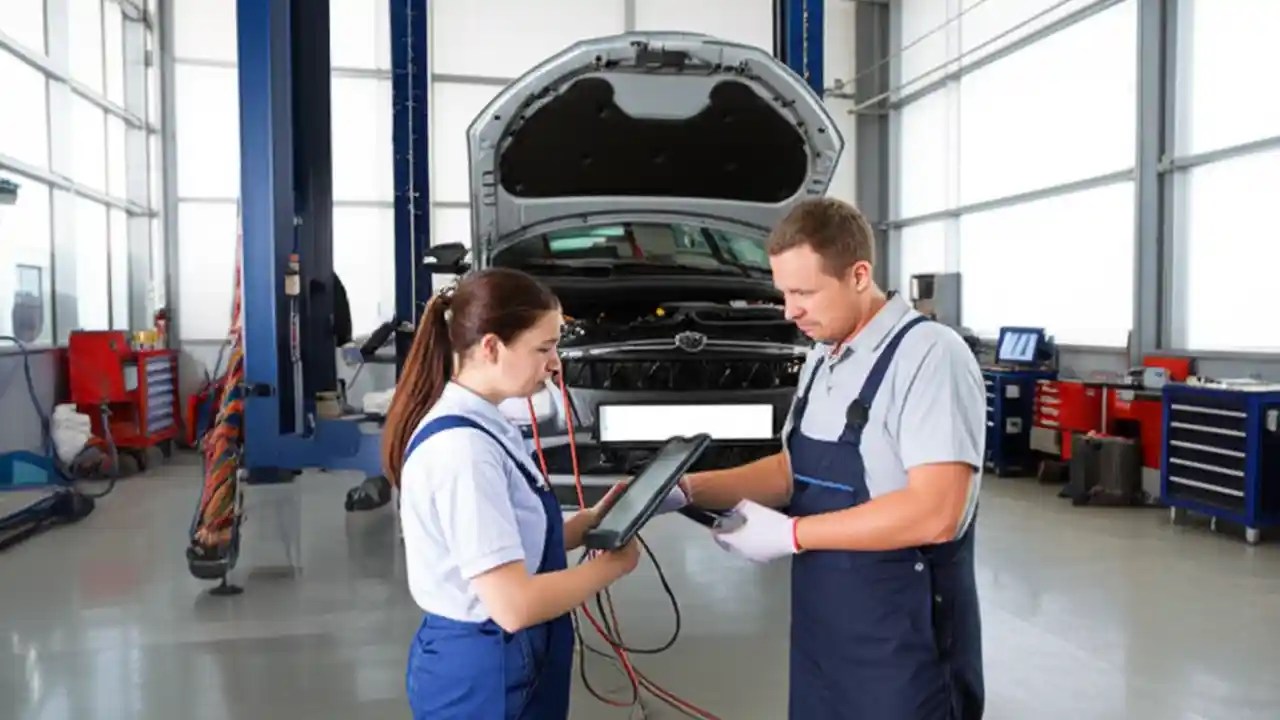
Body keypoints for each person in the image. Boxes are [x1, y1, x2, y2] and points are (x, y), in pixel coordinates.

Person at [658, 198, 987, 719]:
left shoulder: (930, 356)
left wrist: (791, 534)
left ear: (859, 275)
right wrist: (685, 490)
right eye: (784, 293)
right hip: (823, 636)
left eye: (804, 293)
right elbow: (793, 471)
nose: (789, 311)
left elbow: (937, 512)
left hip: (904, 648)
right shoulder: (822, 355)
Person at [382, 267, 640, 719]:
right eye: (543, 348)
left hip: (507, 658)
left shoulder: (489, 422)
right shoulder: (464, 452)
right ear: (491, 347)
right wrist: (612, 567)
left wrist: (584, 526)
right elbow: (514, 606)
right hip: (486, 669)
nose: (555, 363)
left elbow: (500, 541)